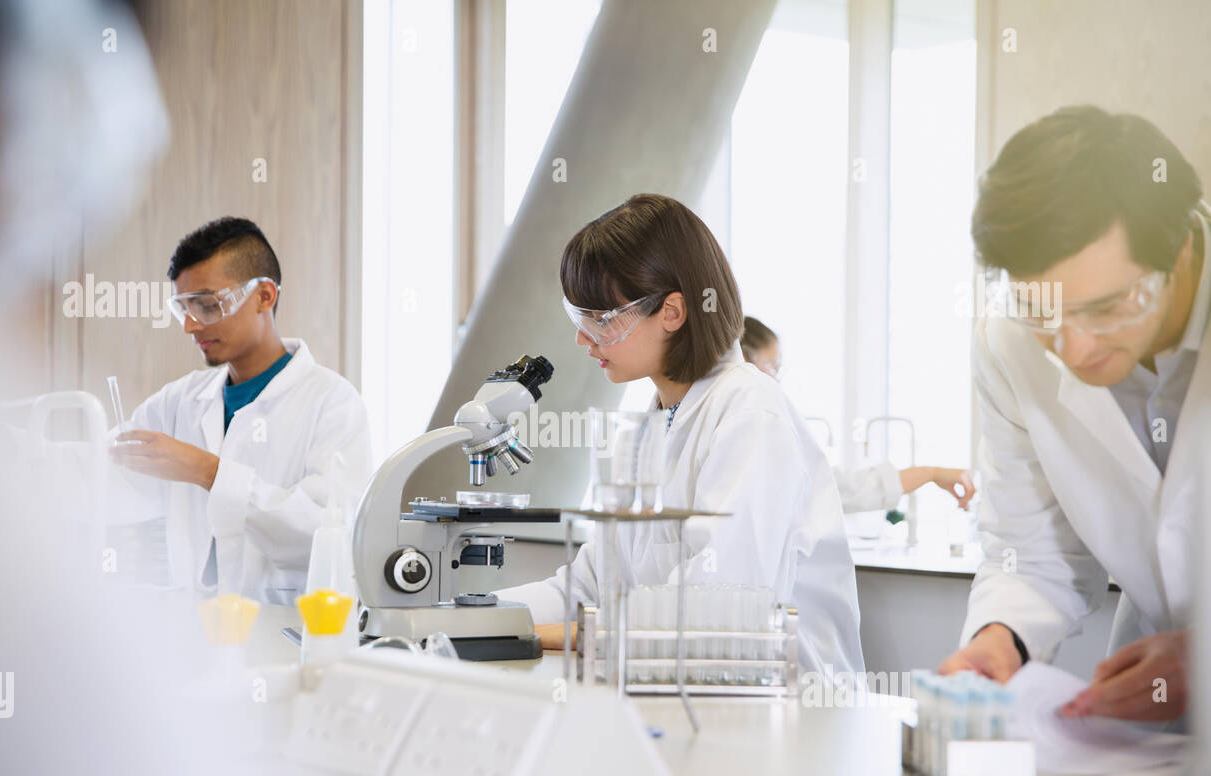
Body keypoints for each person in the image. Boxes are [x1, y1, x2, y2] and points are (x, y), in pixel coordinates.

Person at [499, 194, 864, 677]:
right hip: (685, 690)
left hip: (790, 703)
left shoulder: (751, 413)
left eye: (601, 320)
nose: (583, 339)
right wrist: (475, 612)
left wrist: (548, 636)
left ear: (672, 312)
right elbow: (589, 587)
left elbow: (717, 605)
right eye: (579, 317)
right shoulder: (644, 431)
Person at [937, 106, 1208, 723]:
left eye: (1110, 306)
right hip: (1154, 719)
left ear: (1184, 248)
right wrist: (998, 639)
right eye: (1042, 310)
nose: (1074, 349)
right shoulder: (1007, 340)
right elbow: (1030, 552)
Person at [109, 217, 371, 605]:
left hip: (287, 632)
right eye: (183, 309)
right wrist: (8, 446)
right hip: (195, 631)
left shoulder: (333, 403)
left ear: (264, 296)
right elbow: (105, 470)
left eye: (207, 305)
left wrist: (208, 472)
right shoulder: (180, 400)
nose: (191, 326)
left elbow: (326, 533)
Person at [741, 316, 975, 514]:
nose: (776, 380)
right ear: (744, 360)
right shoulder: (748, 432)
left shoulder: (760, 428)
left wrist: (930, 473)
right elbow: (837, 491)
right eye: (772, 366)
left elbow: (835, 488)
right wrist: (930, 473)